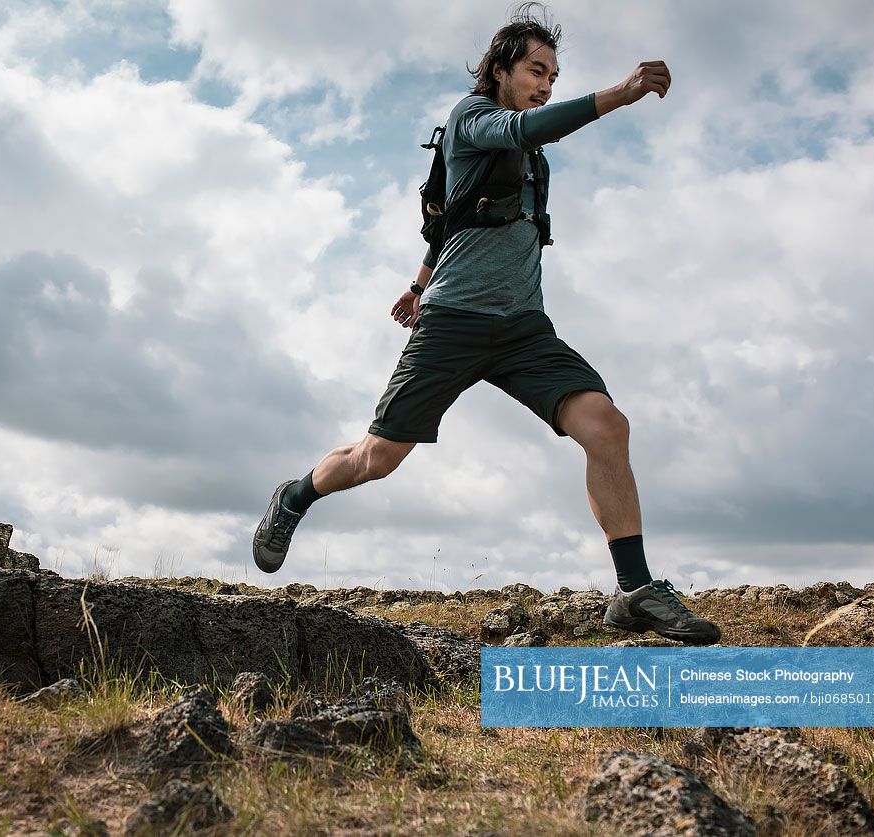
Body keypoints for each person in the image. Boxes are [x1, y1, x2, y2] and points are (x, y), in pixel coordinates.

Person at [252, 5, 721, 645]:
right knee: (379, 458)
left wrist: (415, 280)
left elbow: (450, 220)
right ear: (500, 70)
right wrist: (622, 92)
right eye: (536, 71)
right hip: (455, 323)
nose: (546, 85)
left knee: (607, 426)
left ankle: (634, 591)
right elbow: (527, 131)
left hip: (524, 327)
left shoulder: (530, 160)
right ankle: (297, 495)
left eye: (554, 76)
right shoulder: (470, 119)